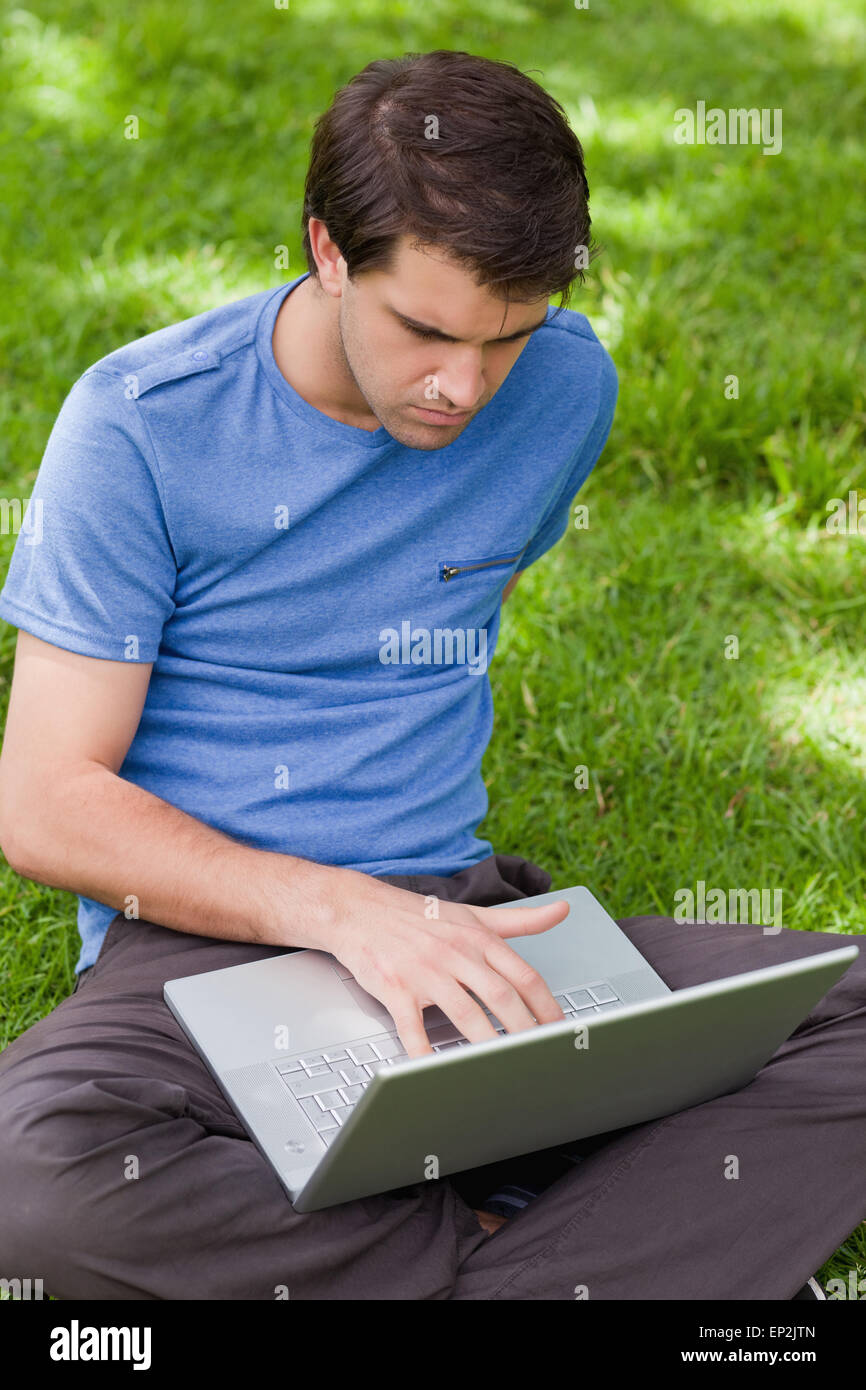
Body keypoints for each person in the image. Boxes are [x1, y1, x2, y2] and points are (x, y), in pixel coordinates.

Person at [0, 50, 862, 1301]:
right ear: (327, 249)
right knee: (36, 1184)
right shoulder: (139, 424)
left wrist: (414, 918)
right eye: (424, 331)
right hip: (198, 946)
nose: (462, 387)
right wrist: (344, 913)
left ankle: (445, 1238)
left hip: (467, 920)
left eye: (503, 336)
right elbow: (45, 804)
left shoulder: (562, 387)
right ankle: (551, 1246)